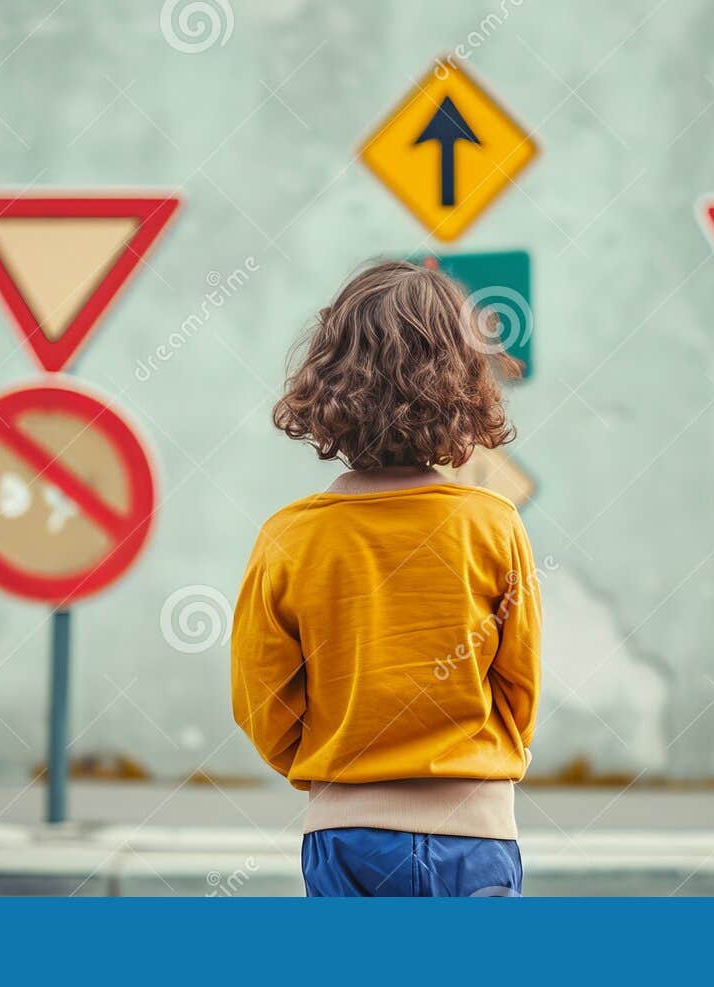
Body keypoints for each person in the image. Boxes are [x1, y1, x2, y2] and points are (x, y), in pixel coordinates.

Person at [231, 259, 541, 897]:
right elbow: (520, 687)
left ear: (326, 382)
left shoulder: (289, 536)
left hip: (346, 837)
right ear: (465, 382)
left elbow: (261, 703)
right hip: (476, 834)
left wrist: (333, 769)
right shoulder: (493, 525)